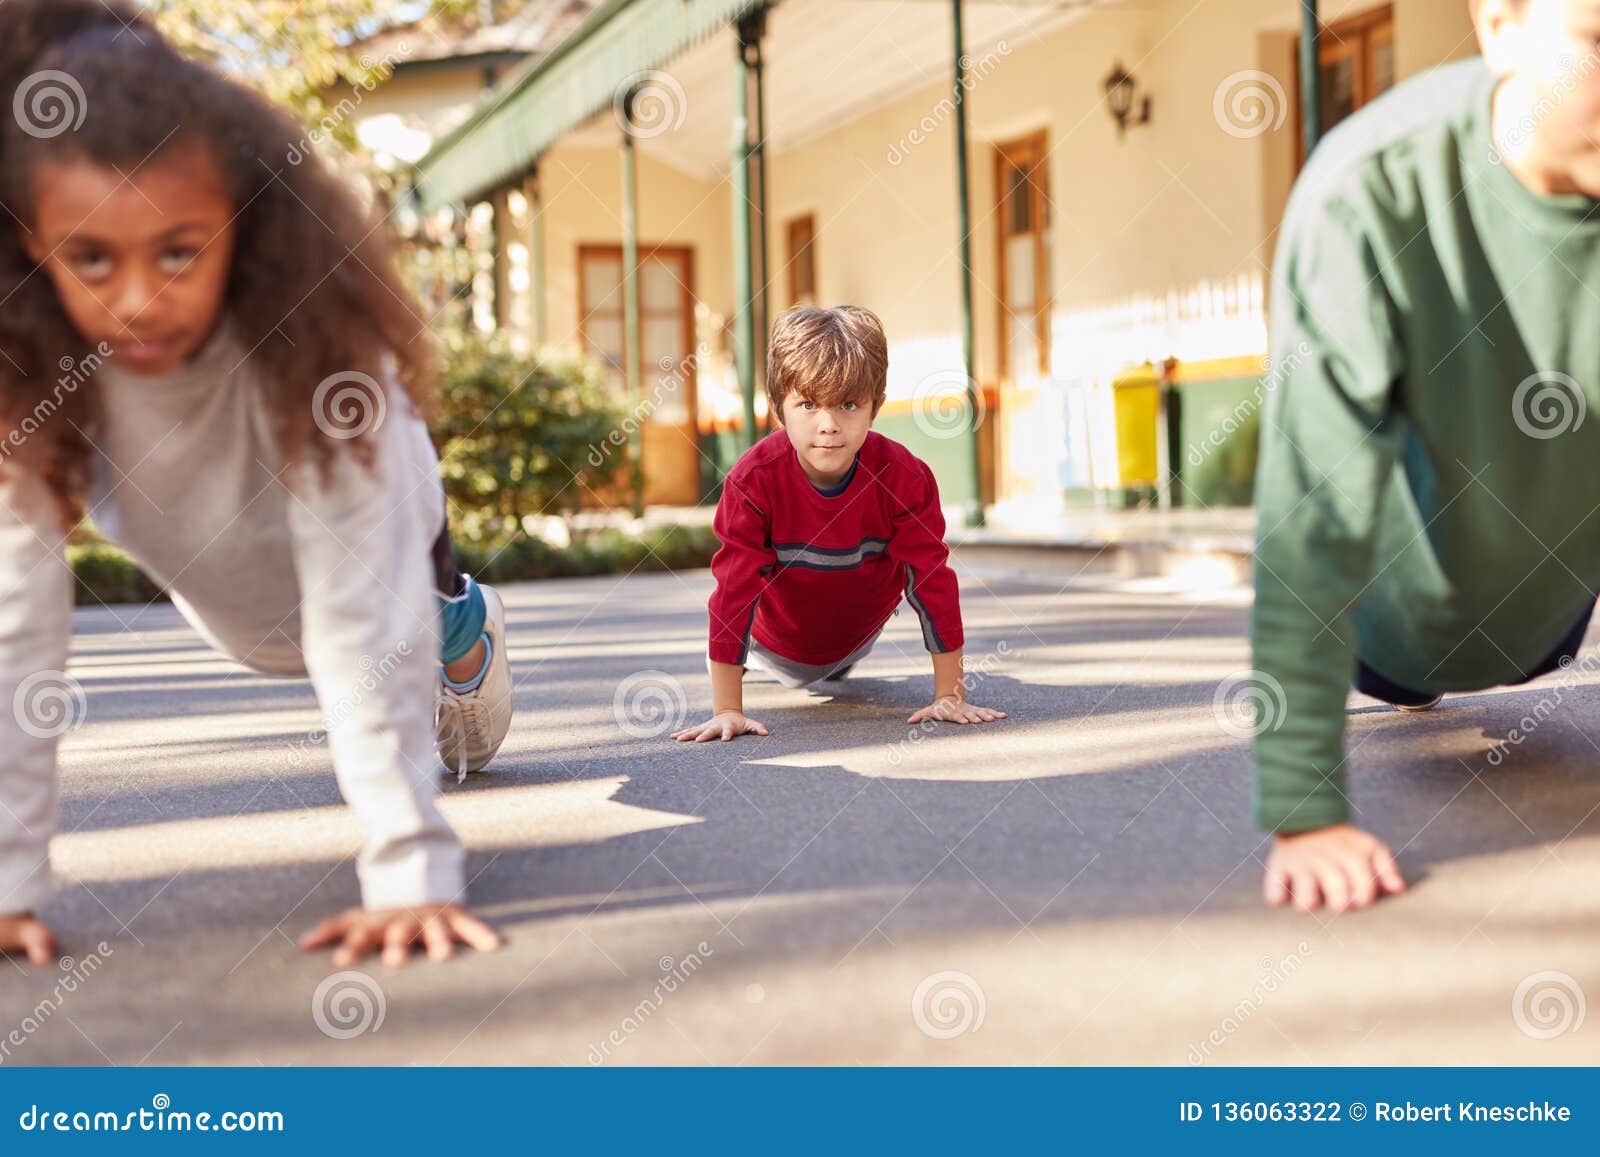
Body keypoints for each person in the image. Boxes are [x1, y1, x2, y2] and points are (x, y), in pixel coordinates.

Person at [0, 0, 513, 966]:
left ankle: (460, 617)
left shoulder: (319, 352)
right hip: (239, 601)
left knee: (452, 725)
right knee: (284, 645)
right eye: (94, 257)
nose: (141, 300)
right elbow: (12, 624)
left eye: (180, 250)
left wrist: (409, 872)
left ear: (242, 219)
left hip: (382, 558)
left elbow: (362, 614)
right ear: (33, 240)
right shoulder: (30, 373)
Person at [1253, 0, 1600, 912]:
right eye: (1599, 41)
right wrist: (1306, 805)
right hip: (1396, 632)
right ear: (1499, 26)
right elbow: (1313, 507)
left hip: (1557, 610)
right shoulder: (1366, 191)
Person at [673, 305, 1005, 744]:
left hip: (854, 642)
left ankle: (835, 664)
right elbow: (734, 589)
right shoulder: (753, 480)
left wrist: (950, 695)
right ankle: (749, 669)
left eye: (849, 405)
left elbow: (932, 582)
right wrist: (728, 710)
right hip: (772, 646)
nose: (828, 425)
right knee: (775, 660)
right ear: (777, 408)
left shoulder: (905, 478)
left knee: (840, 668)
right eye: (807, 405)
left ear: (875, 407)